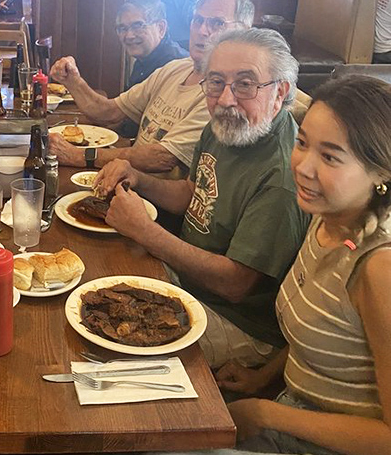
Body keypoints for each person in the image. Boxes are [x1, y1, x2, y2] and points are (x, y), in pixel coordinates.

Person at [58, 75, 391, 455]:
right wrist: (266, 377)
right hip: (298, 417)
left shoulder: (380, 265)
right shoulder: (328, 221)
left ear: (381, 172)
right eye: (303, 143)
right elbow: (325, 330)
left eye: (331, 156)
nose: (302, 165)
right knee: (162, 436)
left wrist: (266, 411)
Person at [96, 27, 309, 369]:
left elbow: (235, 284)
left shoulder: (282, 176)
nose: (226, 98)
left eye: (245, 83)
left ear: (280, 91)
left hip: (239, 322)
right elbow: (191, 196)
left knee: (110, 358)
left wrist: (145, 231)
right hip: (185, 281)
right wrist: (139, 179)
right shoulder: (225, 126)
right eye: (215, 82)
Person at [49, 0, 253, 175]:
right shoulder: (175, 68)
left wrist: (78, 156)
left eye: (217, 23)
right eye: (197, 20)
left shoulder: (225, 96)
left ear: (243, 31)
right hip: (123, 182)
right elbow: (110, 112)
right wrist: (73, 80)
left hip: (155, 205)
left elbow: (162, 157)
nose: (202, 31)